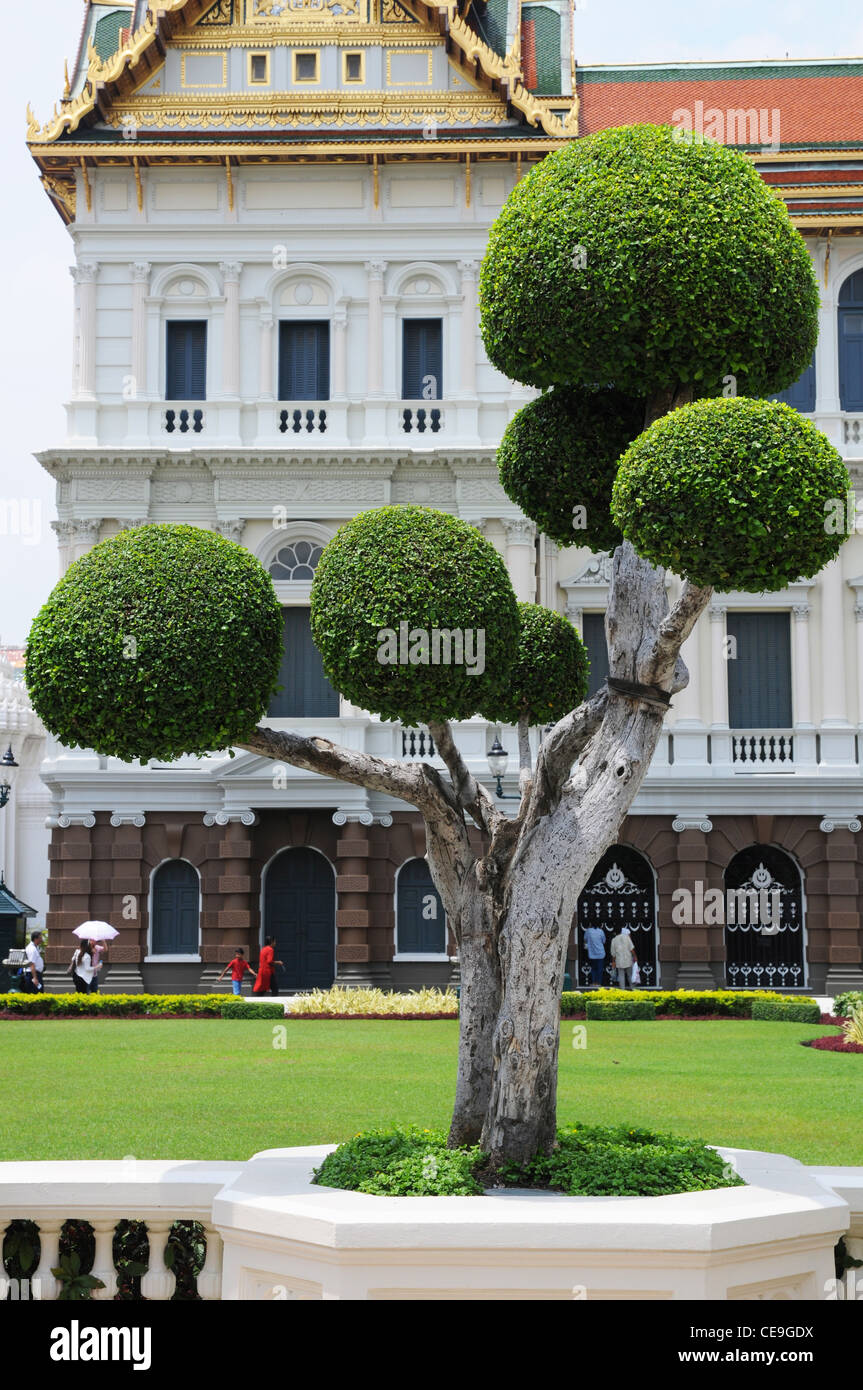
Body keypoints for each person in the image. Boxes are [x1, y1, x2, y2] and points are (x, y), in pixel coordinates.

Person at [610, 926, 637, 990]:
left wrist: (613, 962)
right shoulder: (627, 937)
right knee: (630, 975)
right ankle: (633, 988)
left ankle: (622, 990)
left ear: (614, 932)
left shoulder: (614, 940)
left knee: (621, 976)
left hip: (619, 960)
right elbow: (631, 949)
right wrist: (635, 956)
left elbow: (613, 953)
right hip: (628, 959)